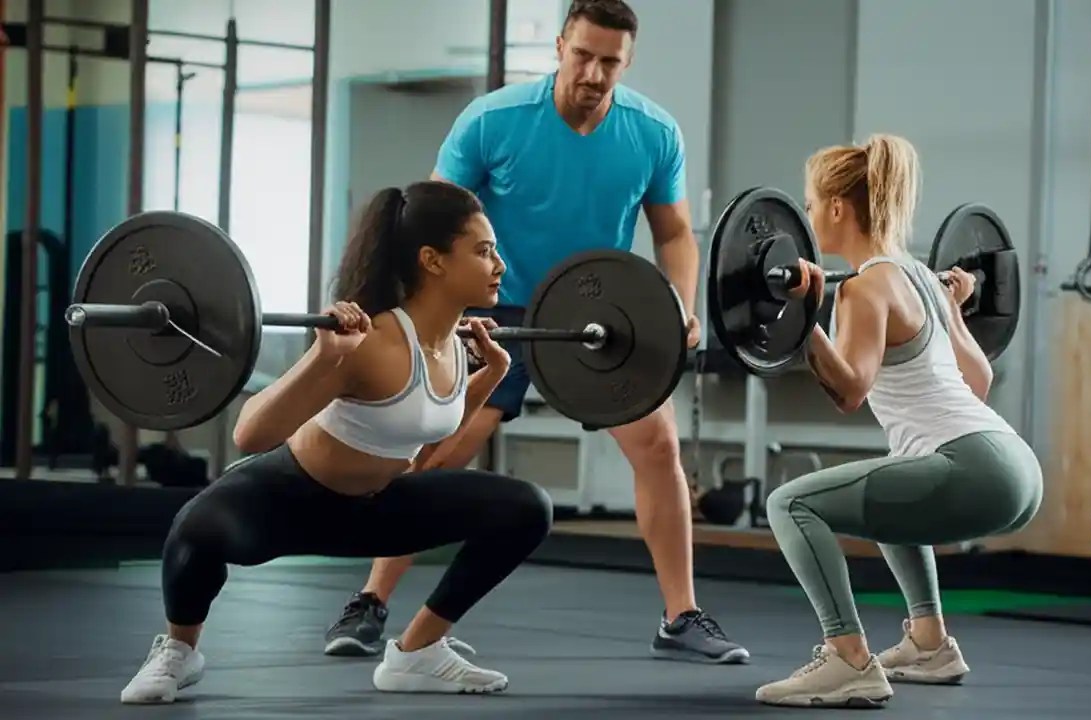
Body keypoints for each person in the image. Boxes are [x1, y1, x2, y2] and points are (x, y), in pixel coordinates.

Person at [322, 0, 749, 666]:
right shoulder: (493, 121)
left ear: (626, 63)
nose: (595, 73)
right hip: (498, 311)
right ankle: (371, 601)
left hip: (599, 317)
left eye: (610, 61)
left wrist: (682, 307)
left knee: (659, 447)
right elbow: (431, 224)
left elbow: (672, 233)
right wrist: (428, 318)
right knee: (437, 452)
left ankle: (681, 616)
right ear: (559, 47)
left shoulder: (654, 133)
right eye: (583, 55)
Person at [120, 181, 555, 704]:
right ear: (433, 261)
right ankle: (179, 652)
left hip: (374, 511)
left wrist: (492, 373)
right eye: (483, 251)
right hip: (286, 499)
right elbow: (249, 434)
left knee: (527, 508)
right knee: (194, 530)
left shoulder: (455, 347)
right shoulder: (370, 344)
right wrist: (323, 359)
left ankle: (416, 652)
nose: (499, 264)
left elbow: (428, 435)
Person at [752, 135, 1044, 708]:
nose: (807, 215)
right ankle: (930, 644)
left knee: (789, 504)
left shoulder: (864, 286)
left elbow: (850, 391)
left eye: (811, 203)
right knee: (894, 479)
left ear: (837, 207)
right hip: (1015, 466)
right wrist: (952, 313)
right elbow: (978, 382)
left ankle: (846, 657)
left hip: (973, 467)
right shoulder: (917, 277)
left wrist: (804, 321)